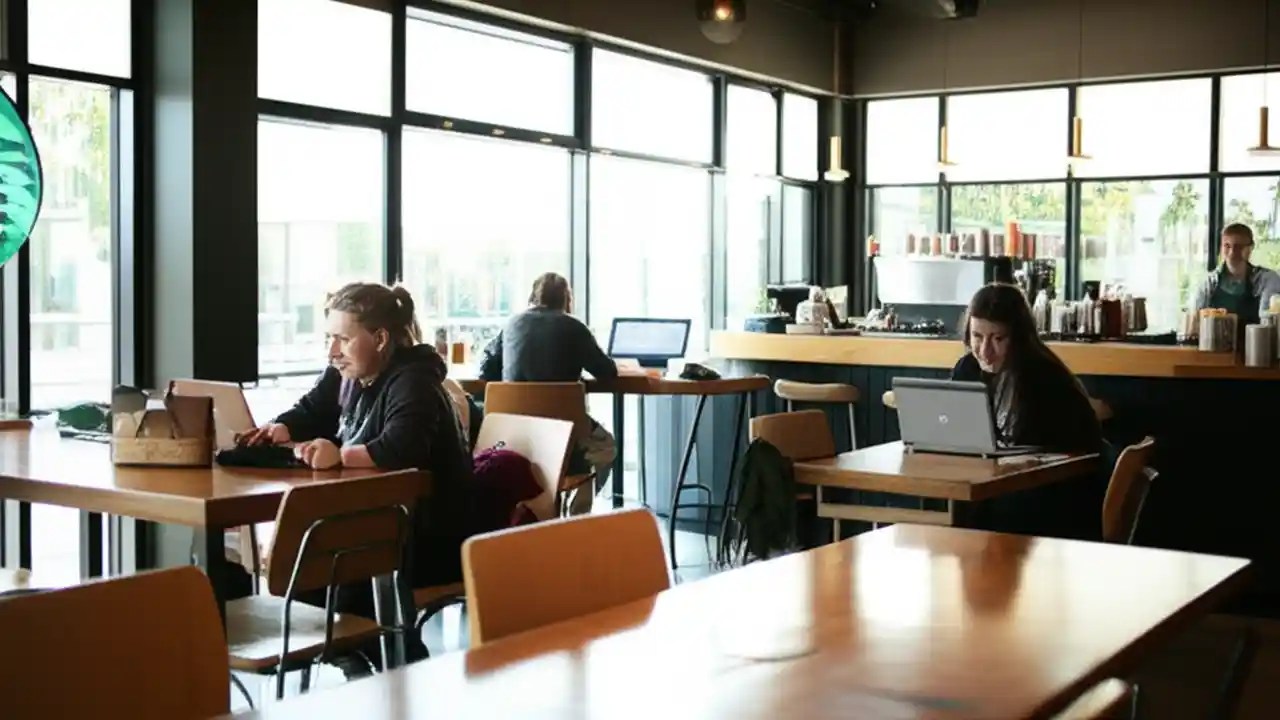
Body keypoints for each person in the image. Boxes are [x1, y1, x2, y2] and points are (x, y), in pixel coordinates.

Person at [239, 281, 473, 667]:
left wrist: (340, 455)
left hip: (427, 539)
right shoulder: (347, 372)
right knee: (316, 571)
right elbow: (311, 410)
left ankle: (391, 668)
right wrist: (280, 428)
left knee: (328, 574)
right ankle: (369, 668)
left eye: (342, 339)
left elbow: (401, 448)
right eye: (329, 338)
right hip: (378, 529)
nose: (332, 352)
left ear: (380, 338)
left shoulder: (413, 379)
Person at [951, 283, 1109, 540]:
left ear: (1019, 338)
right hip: (1010, 495)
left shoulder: (1044, 378)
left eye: (998, 339)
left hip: (1059, 505)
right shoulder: (968, 369)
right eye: (977, 337)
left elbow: (1039, 456)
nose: (985, 351)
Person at [478, 272, 617, 514]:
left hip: (514, 434)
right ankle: (577, 514)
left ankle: (541, 509)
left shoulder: (512, 325)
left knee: (580, 439)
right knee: (606, 447)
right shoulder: (574, 327)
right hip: (565, 435)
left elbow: (485, 369)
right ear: (566, 300)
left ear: (533, 297)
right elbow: (607, 372)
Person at [1191, 223, 1280, 327]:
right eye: (1227, 246)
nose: (1232, 252)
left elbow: (1268, 320)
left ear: (1251, 248)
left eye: (1239, 247)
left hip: (1256, 341)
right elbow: (1195, 321)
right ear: (1221, 247)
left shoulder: (1267, 279)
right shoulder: (1208, 283)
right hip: (1215, 341)